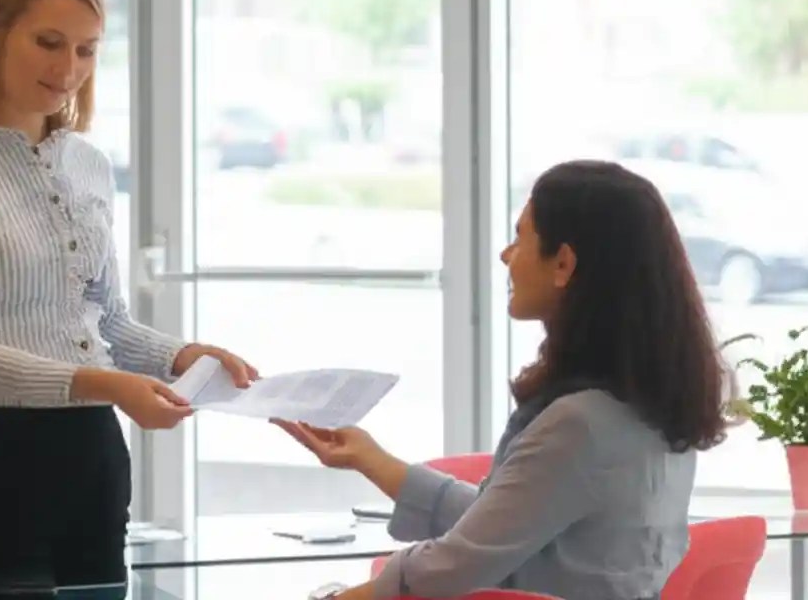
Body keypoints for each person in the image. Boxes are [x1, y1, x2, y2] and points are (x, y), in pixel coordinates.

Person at [0, 0, 256, 591]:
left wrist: (183, 356)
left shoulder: (88, 165)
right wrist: (103, 383)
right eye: (49, 43)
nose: (68, 69)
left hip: (94, 464)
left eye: (87, 50)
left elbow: (107, 321)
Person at [278, 160, 732, 600]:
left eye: (520, 237)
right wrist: (371, 459)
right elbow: (495, 529)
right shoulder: (652, 407)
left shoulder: (581, 424)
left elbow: (454, 565)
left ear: (563, 264)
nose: (505, 255)